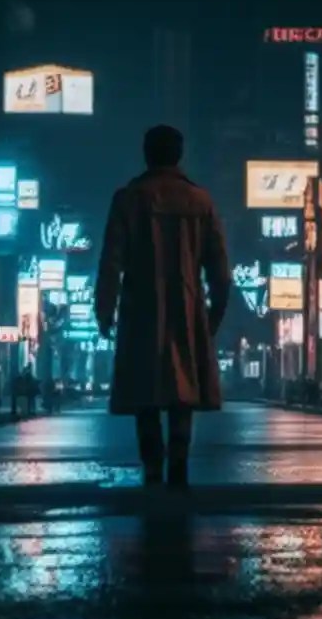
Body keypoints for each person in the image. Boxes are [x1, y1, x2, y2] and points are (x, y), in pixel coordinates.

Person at [95, 125, 231, 487]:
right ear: (179, 155)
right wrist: (213, 314)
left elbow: (111, 261)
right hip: (188, 309)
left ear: (146, 153)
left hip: (141, 308)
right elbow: (220, 268)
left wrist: (104, 309)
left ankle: (152, 465)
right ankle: (179, 462)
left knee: (145, 393)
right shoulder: (201, 202)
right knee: (183, 394)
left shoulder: (128, 199)